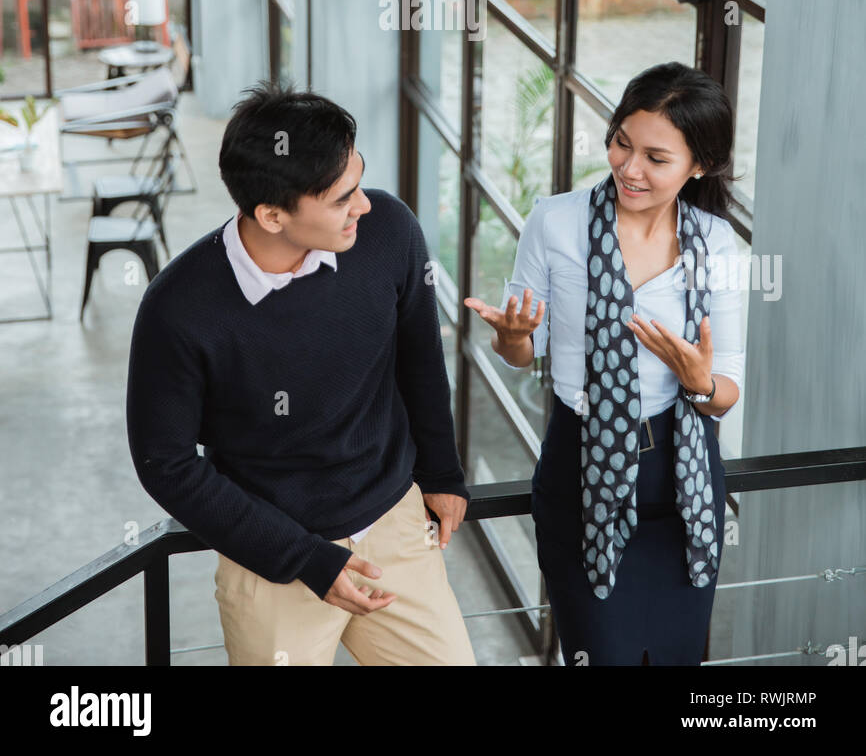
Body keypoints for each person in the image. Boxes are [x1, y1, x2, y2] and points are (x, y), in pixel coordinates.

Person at [127, 80, 476, 667]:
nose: (364, 204)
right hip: (274, 559)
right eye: (343, 198)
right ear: (270, 214)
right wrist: (306, 560)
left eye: (359, 182)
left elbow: (420, 357)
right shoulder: (177, 309)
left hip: (394, 526)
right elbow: (167, 463)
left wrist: (442, 470)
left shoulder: (388, 230)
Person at [465, 62, 745, 666]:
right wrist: (513, 337)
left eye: (656, 157)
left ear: (698, 165)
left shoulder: (717, 244)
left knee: (677, 660)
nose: (629, 168)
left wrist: (699, 383)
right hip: (579, 465)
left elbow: (726, 392)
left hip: (682, 474)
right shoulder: (556, 221)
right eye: (621, 143)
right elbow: (522, 354)